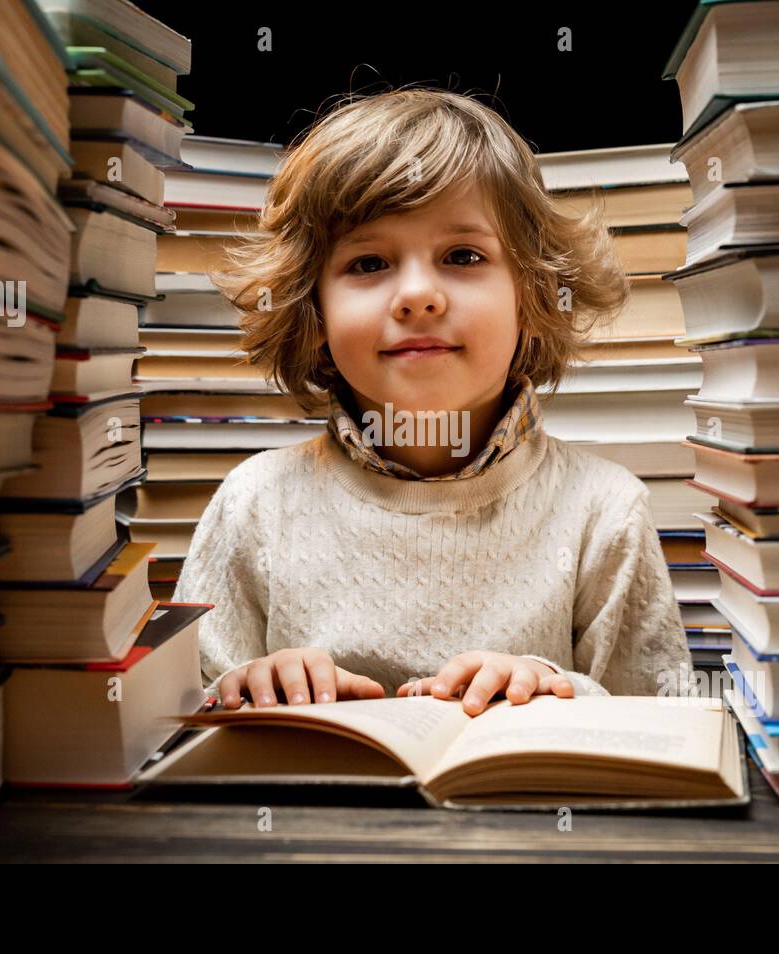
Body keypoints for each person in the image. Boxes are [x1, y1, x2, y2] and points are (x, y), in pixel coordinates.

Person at [172, 87, 690, 716]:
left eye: (463, 256)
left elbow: (661, 726)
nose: (418, 296)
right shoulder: (252, 505)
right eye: (368, 263)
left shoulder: (605, 513)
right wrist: (244, 687)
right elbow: (175, 722)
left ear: (533, 298)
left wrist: (558, 688)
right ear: (313, 313)